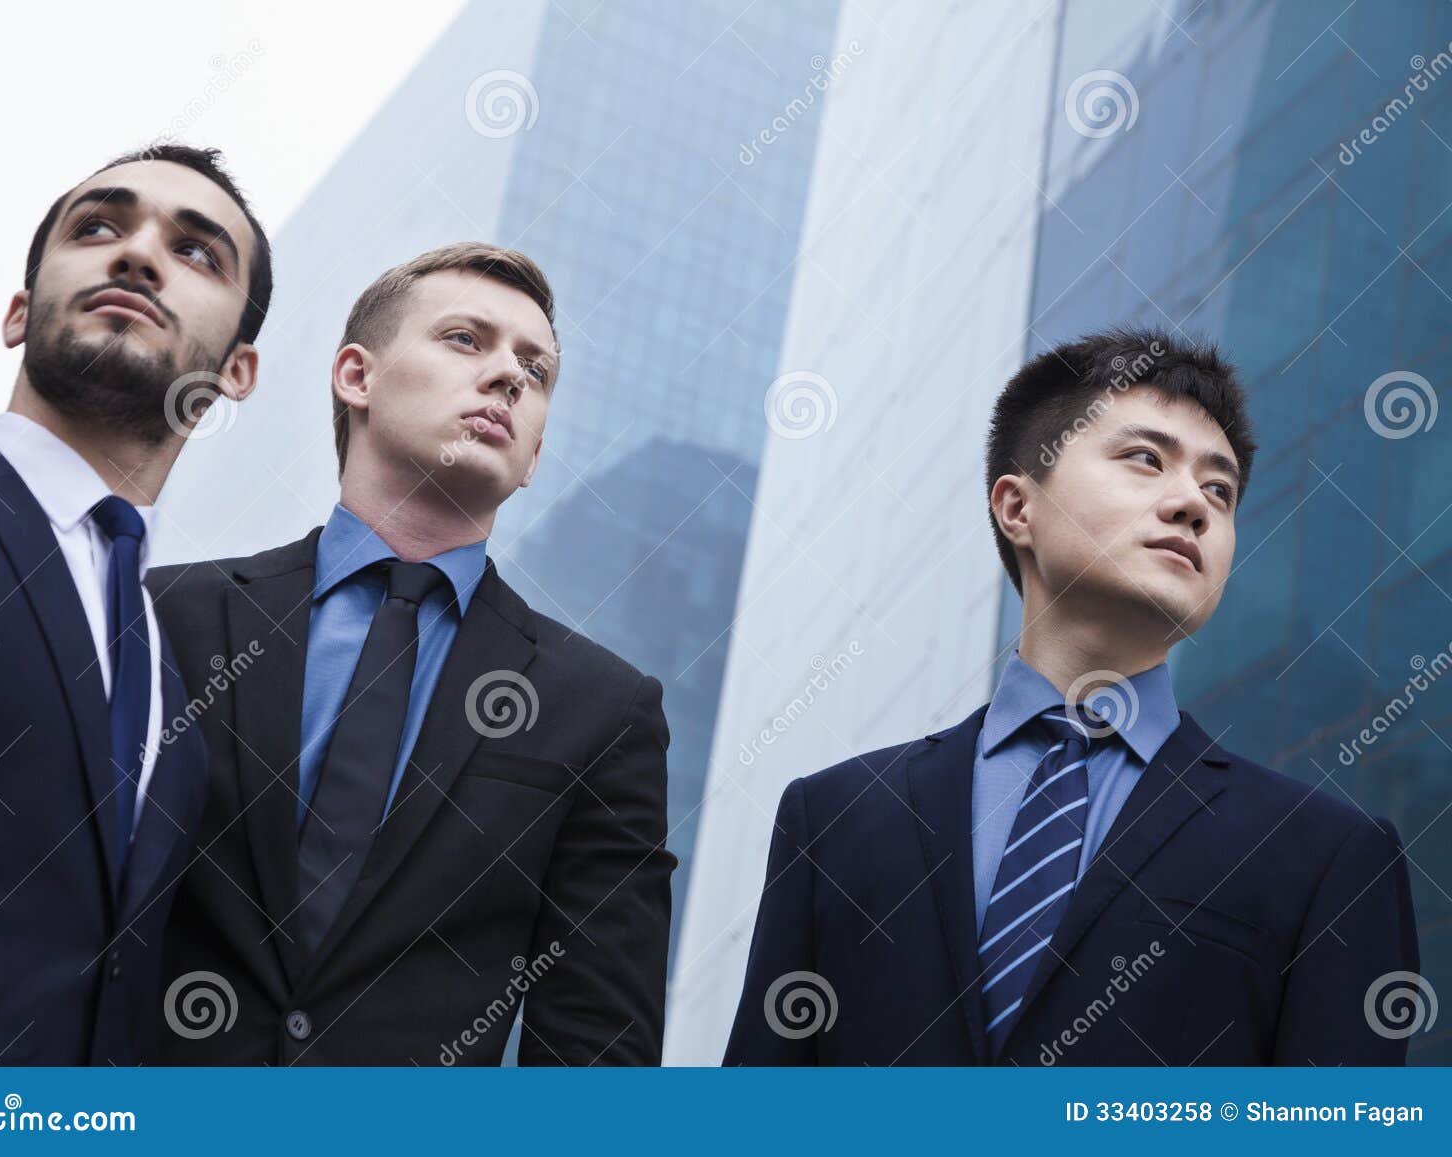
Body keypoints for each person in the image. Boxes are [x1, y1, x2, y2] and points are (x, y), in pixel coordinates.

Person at [725, 327, 1420, 1065]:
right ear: (1016, 506)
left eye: (1221, 489)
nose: (1193, 504)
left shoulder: (1328, 856)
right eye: (1145, 459)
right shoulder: (836, 819)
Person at [149, 242, 674, 1065]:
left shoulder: (604, 709)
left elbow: (596, 1045)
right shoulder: (170, 616)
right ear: (356, 376)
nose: (508, 376)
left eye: (535, 372)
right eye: (467, 339)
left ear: (534, 455)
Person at [0, 144, 270, 1064]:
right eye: (98, 228)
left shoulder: (172, 688)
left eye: (198, 252)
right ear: (17, 314)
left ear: (237, 370)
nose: (138, 255)